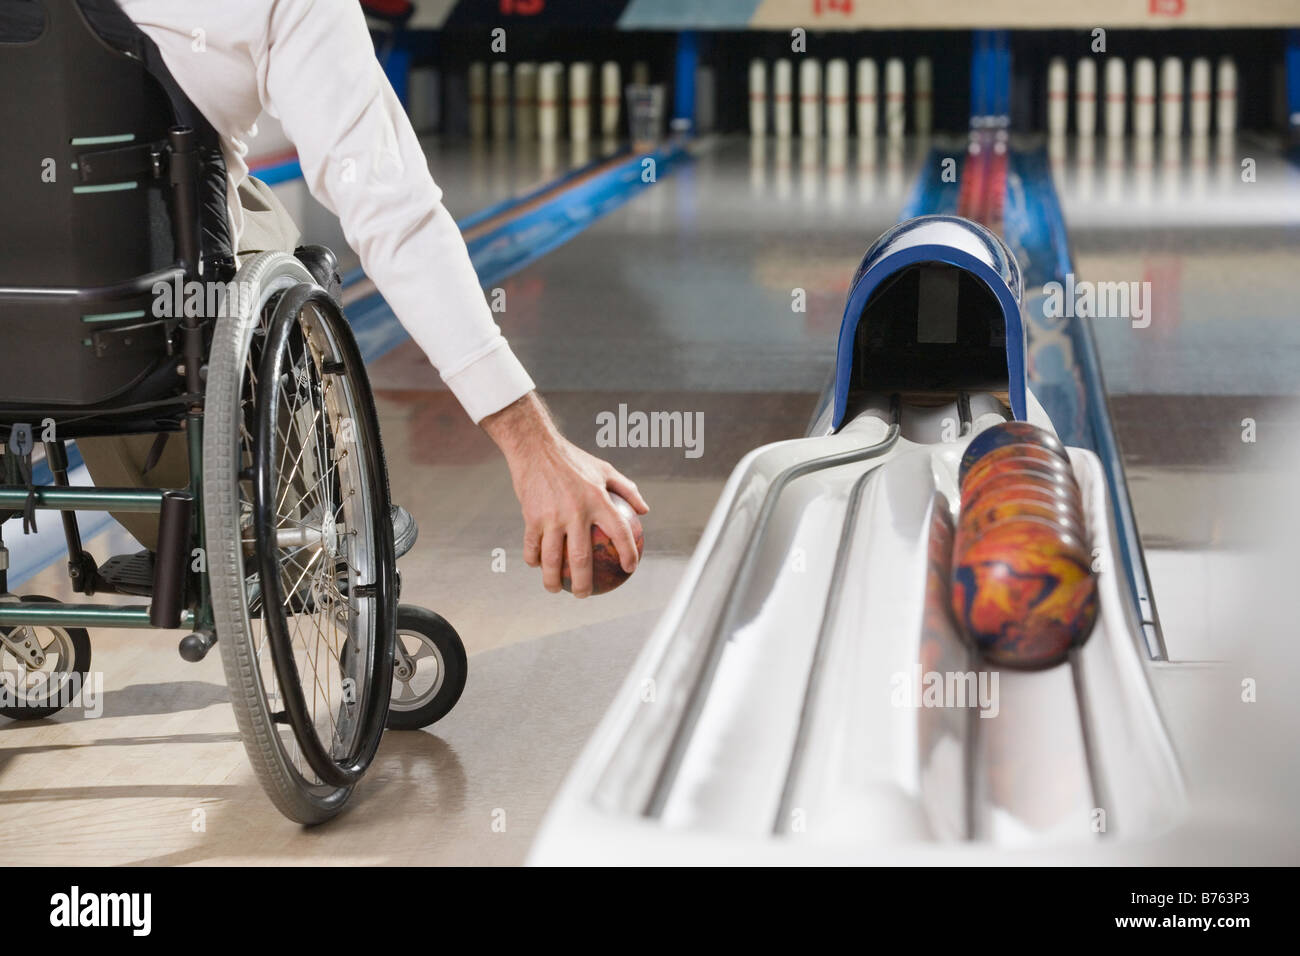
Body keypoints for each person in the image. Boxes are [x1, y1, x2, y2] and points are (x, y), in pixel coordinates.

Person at [85, 0, 647, 598]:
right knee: (262, 248)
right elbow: (394, 213)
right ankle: (293, 524)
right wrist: (533, 447)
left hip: (29, 319)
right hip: (152, 311)